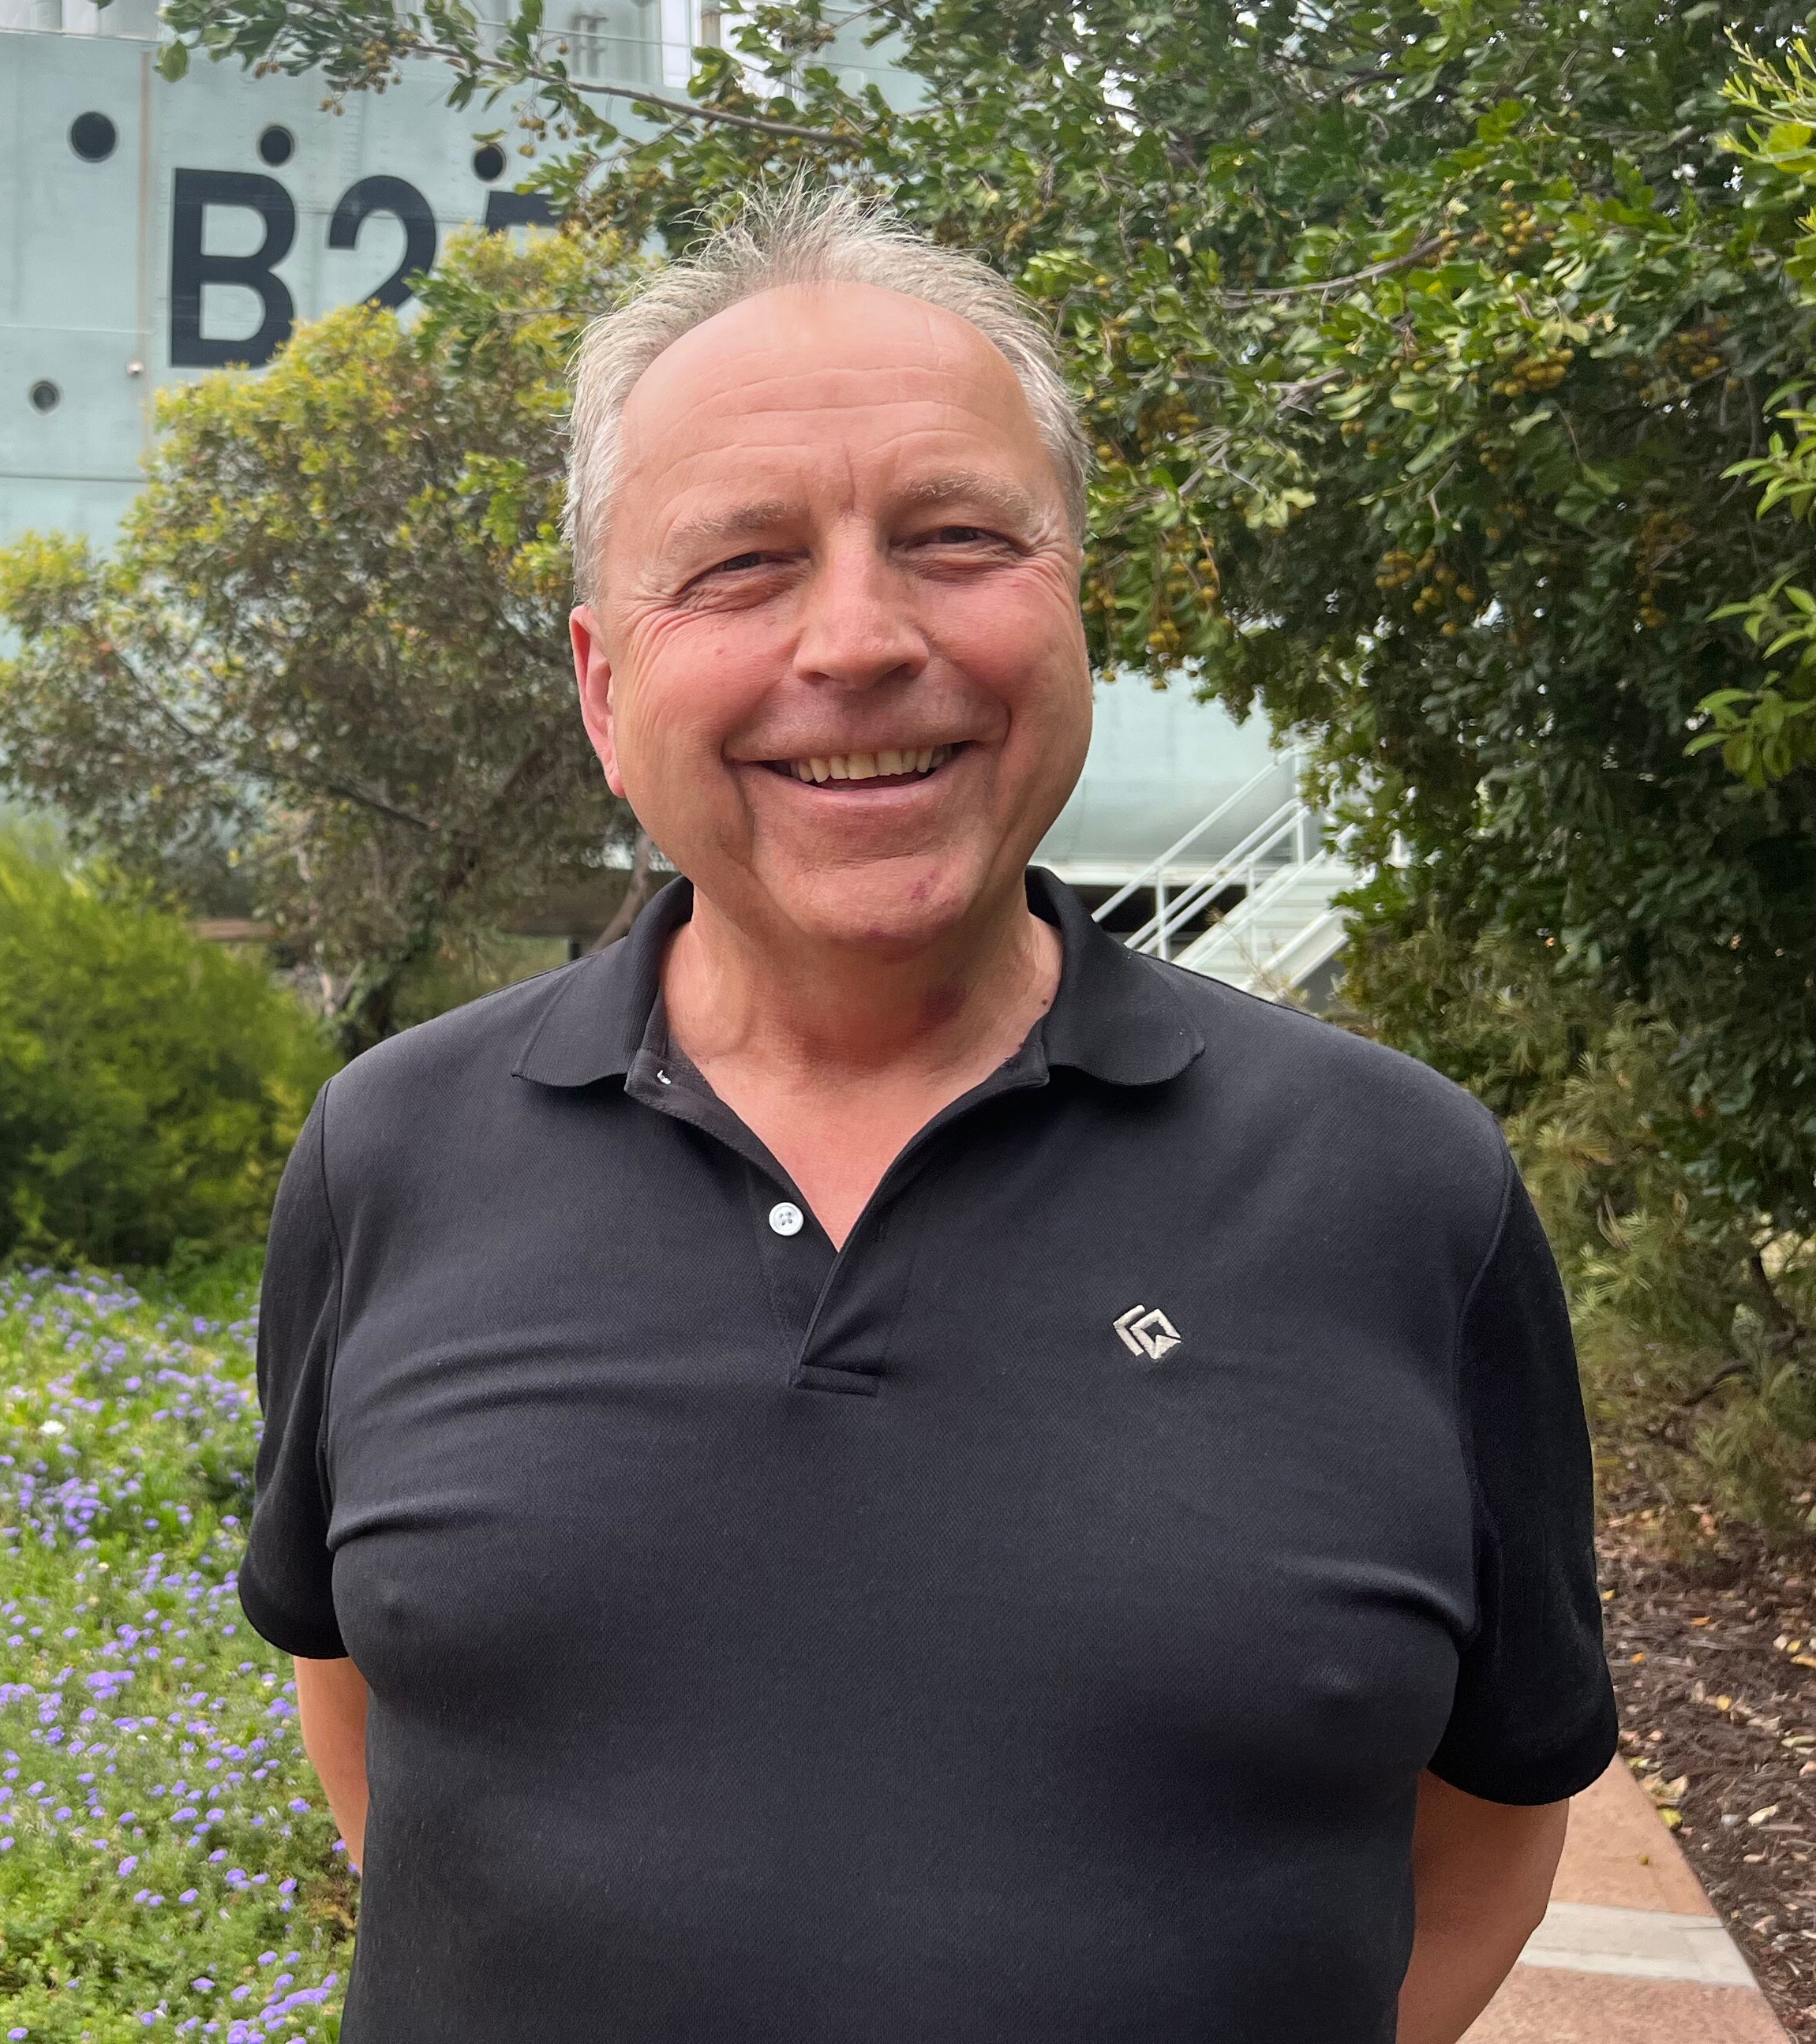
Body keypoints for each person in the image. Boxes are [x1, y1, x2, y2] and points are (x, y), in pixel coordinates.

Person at [236, 189, 1615, 2042]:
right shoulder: (393, 1154)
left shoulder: (1399, 1186)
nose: (863, 638)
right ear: (601, 684)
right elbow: (383, 1727)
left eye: (958, 539)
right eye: (740, 564)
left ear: (1073, 616)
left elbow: (1491, 1829)